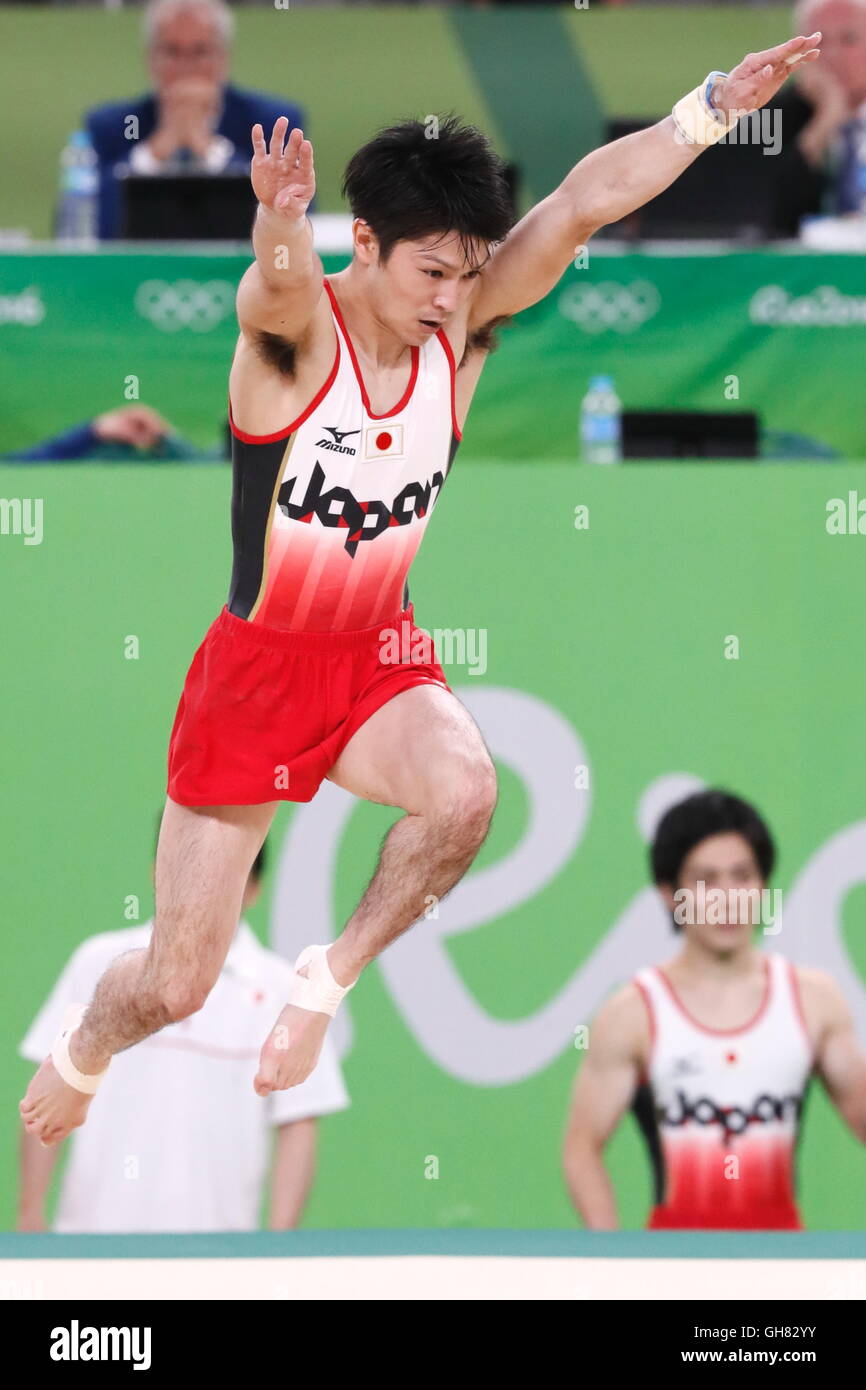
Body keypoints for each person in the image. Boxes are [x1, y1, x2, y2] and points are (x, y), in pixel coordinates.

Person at [21, 31, 824, 1147]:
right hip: (255, 672)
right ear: (364, 242)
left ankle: (324, 980)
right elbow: (277, 281)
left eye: (465, 273)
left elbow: (585, 202)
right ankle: (83, 1045)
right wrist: (275, 218)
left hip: (372, 654)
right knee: (173, 984)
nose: (453, 300)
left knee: (466, 794)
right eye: (429, 273)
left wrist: (706, 108)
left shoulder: (467, 324)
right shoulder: (295, 345)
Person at [562, 790, 866, 1230]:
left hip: (785, 1267)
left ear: (763, 886)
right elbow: (582, 1149)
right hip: (672, 1266)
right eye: (705, 880)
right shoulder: (634, 1013)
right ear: (670, 894)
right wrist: (611, 1258)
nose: (727, 897)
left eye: (742, 876)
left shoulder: (813, 1000)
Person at [17, 841, 348, 1232]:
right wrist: (30, 1214)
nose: (206, 888)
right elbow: (47, 1089)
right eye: (191, 870)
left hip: (221, 1256)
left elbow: (297, 1121)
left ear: (255, 889)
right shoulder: (96, 962)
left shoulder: (285, 990)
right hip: (92, 1240)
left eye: (227, 876)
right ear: (158, 871)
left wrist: (279, 1243)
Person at [83, 0, 304, 239]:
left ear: (223, 57)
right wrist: (154, 151)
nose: (185, 67)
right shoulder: (116, 126)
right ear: (151, 58)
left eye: (200, 52)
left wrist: (210, 150)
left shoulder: (270, 124)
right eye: (172, 52)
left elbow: (295, 225)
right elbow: (91, 225)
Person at [769, 0, 866, 235]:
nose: (832, 55)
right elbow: (774, 221)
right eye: (817, 43)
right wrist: (822, 128)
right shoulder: (771, 120)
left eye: (849, 40)